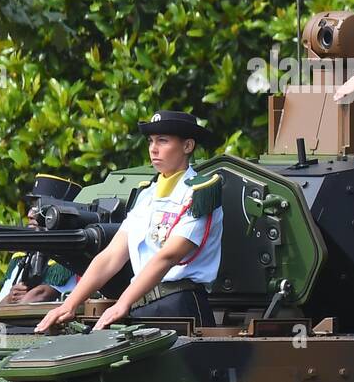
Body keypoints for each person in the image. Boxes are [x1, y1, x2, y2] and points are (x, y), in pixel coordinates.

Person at [35, 111, 223, 334]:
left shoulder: (198, 193)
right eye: (151, 141)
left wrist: (123, 302)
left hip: (179, 305)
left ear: (187, 146)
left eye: (163, 141)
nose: (154, 149)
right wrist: (69, 304)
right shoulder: (146, 196)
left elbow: (169, 256)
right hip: (140, 305)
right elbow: (112, 256)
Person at [0, 174, 80, 304]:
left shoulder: (70, 258)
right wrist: (10, 298)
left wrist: (9, 305)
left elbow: (38, 296)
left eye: (39, 208)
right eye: (31, 207)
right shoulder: (22, 256)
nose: (29, 214)